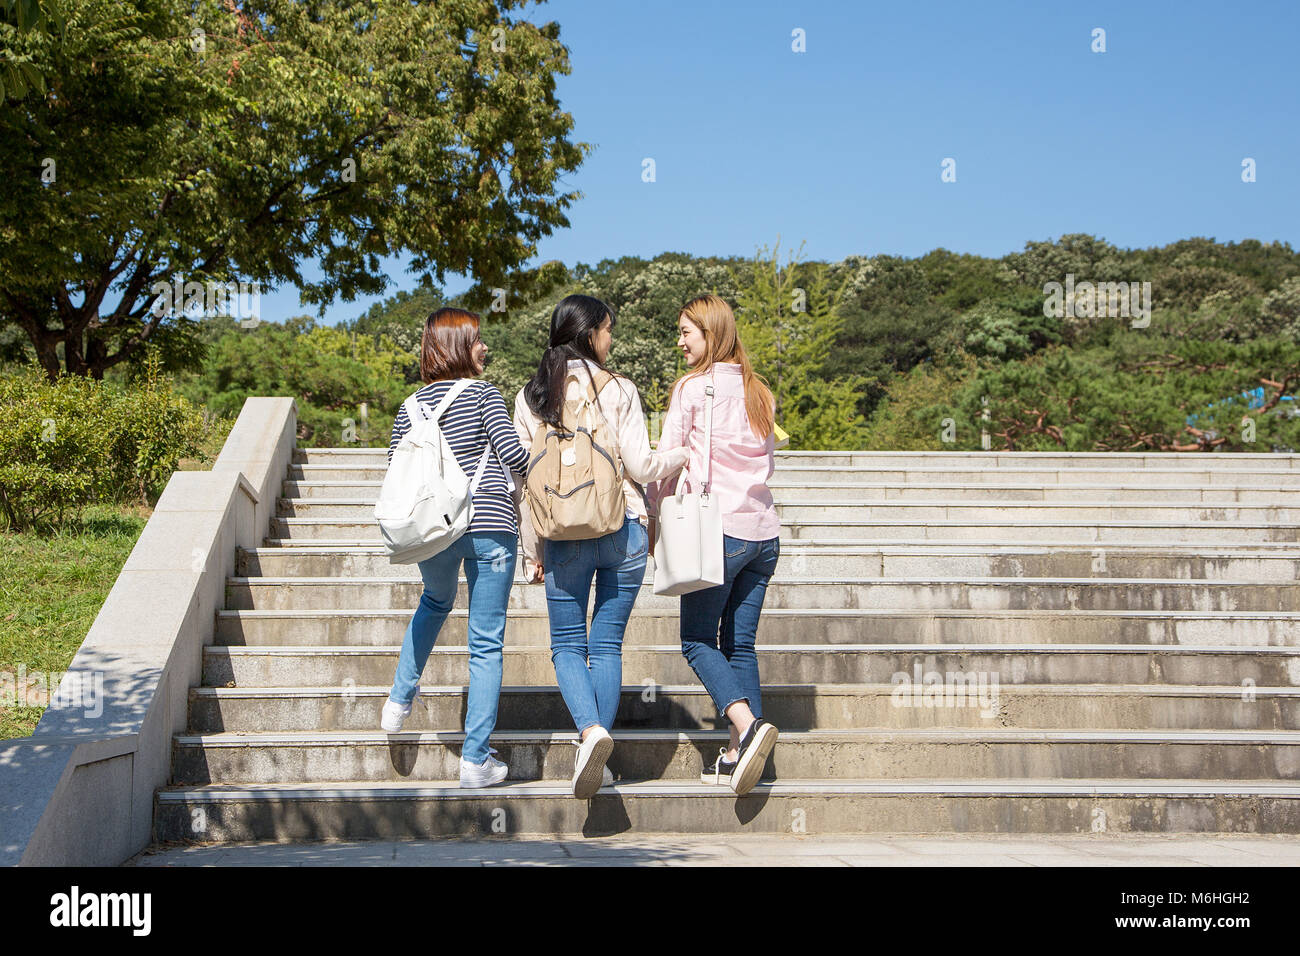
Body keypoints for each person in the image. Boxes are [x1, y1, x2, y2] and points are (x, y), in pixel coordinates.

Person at [513, 294, 689, 798]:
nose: (612, 338)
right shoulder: (620, 389)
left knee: (568, 645)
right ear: (589, 334)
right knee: (606, 644)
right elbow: (641, 467)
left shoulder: (530, 396)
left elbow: (524, 480)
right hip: (623, 526)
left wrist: (533, 550)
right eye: (608, 329)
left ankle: (590, 733)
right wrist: (683, 453)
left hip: (562, 534)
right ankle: (600, 750)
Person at [379, 307, 530, 789]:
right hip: (488, 526)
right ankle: (475, 760)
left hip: (434, 532)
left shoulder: (409, 407)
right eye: (478, 339)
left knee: (435, 602)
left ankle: (399, 700)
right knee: (486, 642)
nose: (485, 347)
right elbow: (514, 456)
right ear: (460, 346)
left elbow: (395, 468)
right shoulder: (485, 394)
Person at [648, 294, 781, 796]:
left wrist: (654, 523)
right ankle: (738, 755)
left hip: (715, 529)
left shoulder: (692, 389)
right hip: (763, 533)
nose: (680, 341)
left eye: (687, 332)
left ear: (712, 334)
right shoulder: (760, 392)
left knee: (697, 640)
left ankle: (747, 728)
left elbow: (665, 463)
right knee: (740, 644)